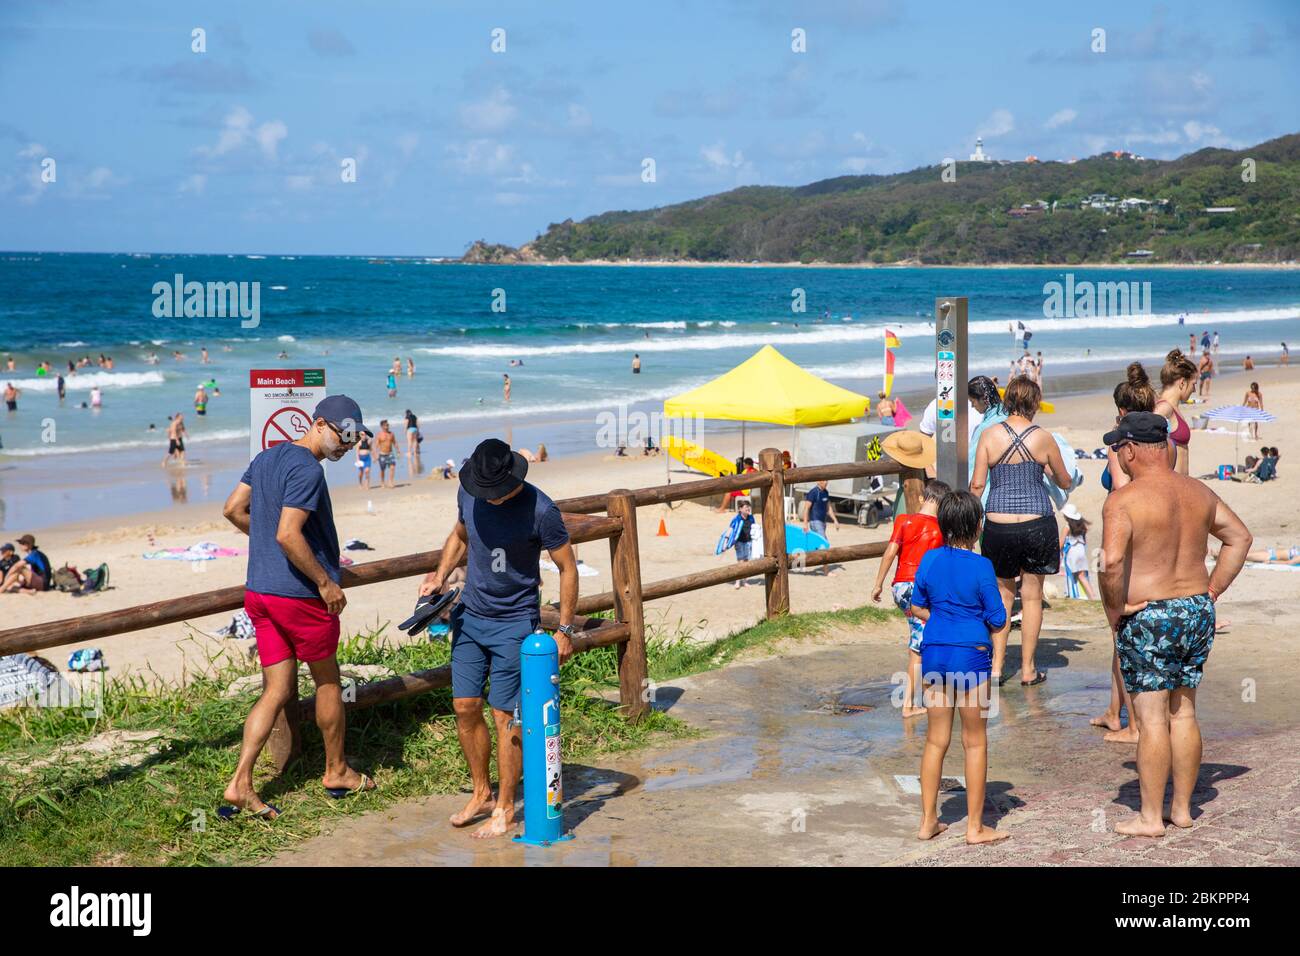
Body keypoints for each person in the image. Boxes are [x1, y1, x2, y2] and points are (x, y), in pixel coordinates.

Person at [220, 395, 376, 819]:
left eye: (353, 439)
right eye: (343, 436)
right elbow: (290, 535)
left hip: (259, 593)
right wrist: (325, 581)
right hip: (299, 596)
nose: (345, 446)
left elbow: (233, 509)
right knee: (328, 682)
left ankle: (240, 783)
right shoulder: (308, 468)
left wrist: (265, 536)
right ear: (320, 424)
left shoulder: (267, 457)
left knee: (277, 690)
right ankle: (337, 771)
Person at [1099, 411, 1251, 836]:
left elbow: (1110, 561)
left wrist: (1114, 608)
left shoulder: (1123, 500)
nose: (1118, 455)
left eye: (1118, 448)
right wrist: (1212, 590)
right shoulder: (1198, 491)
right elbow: (1239, 538)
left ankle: (1150, 817)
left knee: (1151, 720)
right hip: (1195, 609)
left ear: (1129, 449)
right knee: (1183, 712)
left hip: (1150, 613)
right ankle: (1182, 809)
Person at [418, 438, 579, 838]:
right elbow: (458, 536)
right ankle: (482, 793)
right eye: (482, 492)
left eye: (496, 493)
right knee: (464, 705)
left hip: (515, 624)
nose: (487, 499)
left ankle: (506, 807)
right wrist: (439, 576)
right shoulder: (469, 492)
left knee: (505, 714)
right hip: (469, 616)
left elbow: (568, 568)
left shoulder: (542, 509)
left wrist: (565, 630)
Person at [910, 490, 1009, 845]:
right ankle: (975, 827)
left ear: (944, 524)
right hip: (971, 654)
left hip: (935, 652)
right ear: (979, 526)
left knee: (936, 741)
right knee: (975, 742)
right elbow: (998, 617)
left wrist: (942, 615)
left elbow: (917, 606)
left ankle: (927, 822)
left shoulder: (930, 560)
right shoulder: (982, 566)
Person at [969, 376, 1072, 686]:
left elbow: (977, 485)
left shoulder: (989, 435)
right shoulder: (1043, 437)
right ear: (1034, 403)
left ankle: (997, 667)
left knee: (1001, 595)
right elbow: (1065, 481)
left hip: (998, 523)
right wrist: (1047, 471)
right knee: (1031, 597)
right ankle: (1027, 669)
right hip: (1037, 522)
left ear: (1008, 399)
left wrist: (972, 522)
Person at [872, 479, 949, 719]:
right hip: (921, 590)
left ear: (921, 498)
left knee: (921, 636)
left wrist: (878, 584)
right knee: (918, 646)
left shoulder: (903, 520)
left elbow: (890, 553)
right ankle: (910, 704)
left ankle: (926, 692)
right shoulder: (941, 530)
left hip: (899, 587)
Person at [1154, 349, 1197, 475]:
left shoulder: (1172, 408)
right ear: (1182, 382)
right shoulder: (1164, 408)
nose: (1194, 389)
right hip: (1172, 488)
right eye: (1193, 384)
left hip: (1181, 486)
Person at [966, 376, 1007, 503]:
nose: (972, 406)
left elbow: (973, 465)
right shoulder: (1009, 415)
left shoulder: (985, 428)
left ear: (983, 398)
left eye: (973, 401)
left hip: (990, 491)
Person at [802, 479, 840, 574]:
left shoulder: (826, 492)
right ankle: (826, 571)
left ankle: (802, 563)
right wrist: (805, 523)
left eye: (827, 480)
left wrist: (835, 520)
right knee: (824, 545)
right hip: (815, 522)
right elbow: (806, 508)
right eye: (824, 480)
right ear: (818, 481)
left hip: (823, 522)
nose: (826, 482)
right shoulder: (813, 492)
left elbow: (828, 508)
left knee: (815, 545)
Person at [1059, 504, 1095, 600]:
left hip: (1072, 552)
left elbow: (1060, 544)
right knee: (1082, 575)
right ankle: (1090, 595)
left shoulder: (1067, 527)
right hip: (1081, 551)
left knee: (1075, 575)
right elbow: (1084, 539)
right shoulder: (1082, 526)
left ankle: (1078, 595)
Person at [732, 500, 756, 588]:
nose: (748, 509)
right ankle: (737, 581)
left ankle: (745, 581)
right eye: (746, 507)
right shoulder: (737, 519)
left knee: (746, 561)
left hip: (748, 542)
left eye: (748, 507)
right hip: (739, 542)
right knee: (740, 561)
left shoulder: (751, 517)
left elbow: (754, 528)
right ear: (740, 509)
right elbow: (732, 530)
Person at [374, 420, 398, 488]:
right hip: (382, 454)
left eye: (388, 425)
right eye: (385, 425)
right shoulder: (379, 434)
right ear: (382, 426)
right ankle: (382, 482)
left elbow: (395, 443)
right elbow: (376, 445)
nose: (387, 427)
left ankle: (390, 481)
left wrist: (398, 451)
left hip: (390, 453)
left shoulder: (391, 434)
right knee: (382, 470)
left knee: (392, 467)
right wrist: (375, 455)